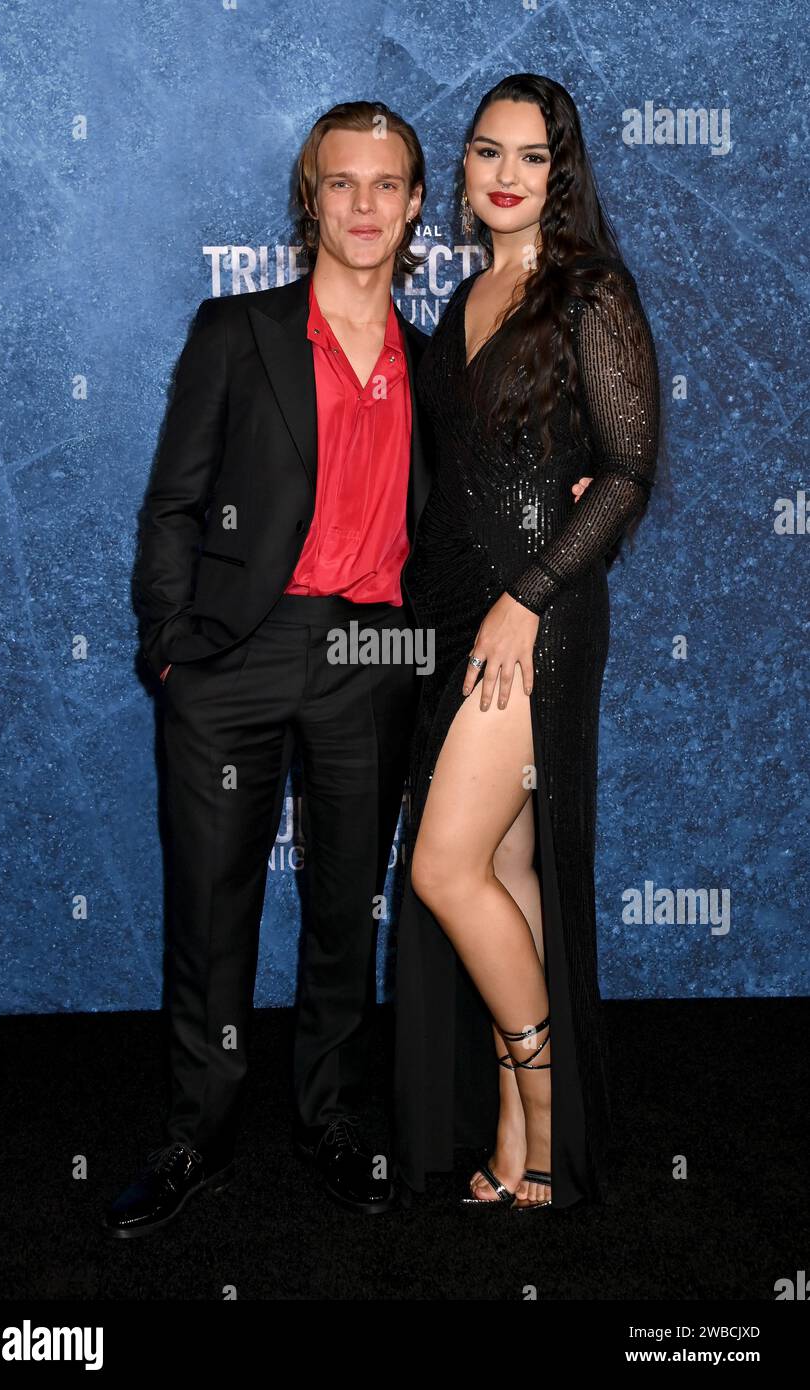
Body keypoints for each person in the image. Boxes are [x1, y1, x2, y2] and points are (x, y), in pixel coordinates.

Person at [104, 100, 433, 1237]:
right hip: (234, 655)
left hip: (371, 653)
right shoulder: (236, 330)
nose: (363, 205)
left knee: (348, 906)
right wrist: (168, 648)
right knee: (211, 906)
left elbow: (472, 513)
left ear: (416, 206)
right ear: (312, 197)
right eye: (341, 183)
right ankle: (198, 1133)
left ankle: (331, 1118)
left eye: (385, 184)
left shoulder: (430, 366)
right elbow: (173, 504)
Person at [393, 73, 661, 1211]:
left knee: (444, 866)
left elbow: (631, 468)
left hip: (534, 623)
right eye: (485, 152)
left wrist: (532, 596)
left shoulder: (587, 291)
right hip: (463, 616)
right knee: (502, 867)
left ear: (565, 172)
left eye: (532, 156)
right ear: (463, 169)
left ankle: (549, 1109)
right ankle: (524, 1147)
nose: (505, 174)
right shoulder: (463, 301)